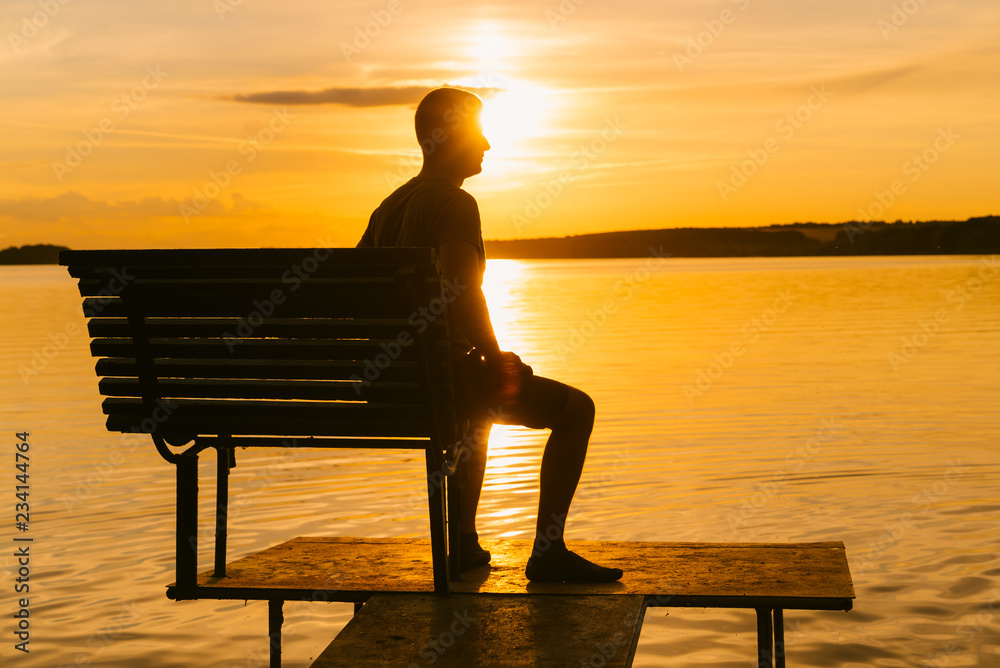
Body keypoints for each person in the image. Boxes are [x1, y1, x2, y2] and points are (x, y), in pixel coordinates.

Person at [357, 87, 622, 583]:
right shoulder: (455, 203)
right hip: (438, 382)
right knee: (576, 409)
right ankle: (547, 553)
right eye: (478, 131)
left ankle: (462, 542)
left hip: (390, 386)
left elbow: (358, 301)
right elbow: (462, 289)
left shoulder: (387, 208)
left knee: (473, 400)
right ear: (451, 135)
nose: (488, 144)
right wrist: (496, 355)